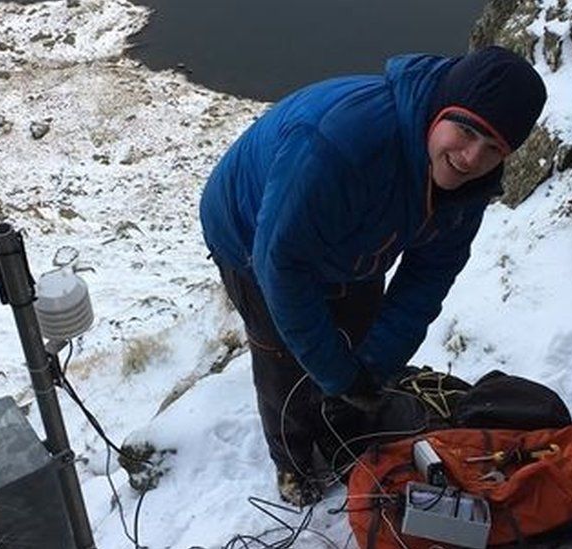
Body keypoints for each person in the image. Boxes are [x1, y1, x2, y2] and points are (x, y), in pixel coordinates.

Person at [199, 46, 546, 506]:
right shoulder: (342, 144)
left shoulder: (470, 184)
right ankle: (293, 459)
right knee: (283, 352)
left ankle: (342, 429)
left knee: (359, 337)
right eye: (465, 131)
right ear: (440, 109)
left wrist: (371, 369)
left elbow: (429, 275)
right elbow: (282, 266)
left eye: (493, 149)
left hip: (360, 238)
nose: (469, 158)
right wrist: (333, 371)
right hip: (251, 237)